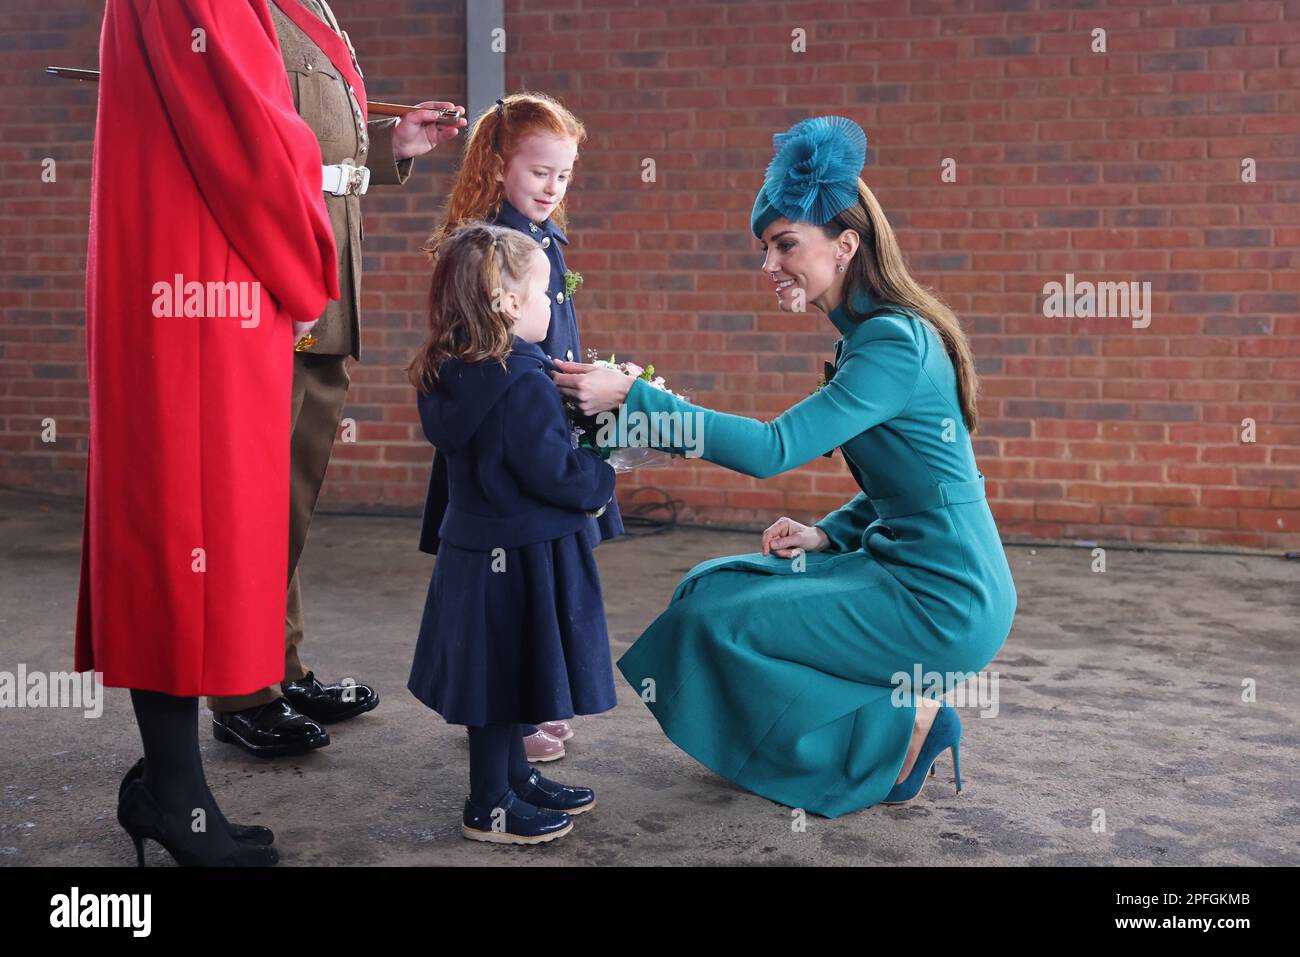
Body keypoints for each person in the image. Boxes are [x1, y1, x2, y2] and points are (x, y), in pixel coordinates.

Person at [553, 116, 1018, 818]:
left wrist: (635, 398)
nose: (769, 266)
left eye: (784, 245)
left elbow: (772, 449)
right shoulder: (876, 334)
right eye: (765, 249)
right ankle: (878, 724)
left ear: (847, 244)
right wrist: (829, 533)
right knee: (707, 587)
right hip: (906, 566)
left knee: (716, 624)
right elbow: (915, 476)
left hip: (942, 596)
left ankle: (901, 730)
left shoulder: (891, 341)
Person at [78, 0, 340, 865]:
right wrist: (311, 247)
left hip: (188, 269)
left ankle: (173, 785)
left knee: (190, 528)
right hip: (204, 274)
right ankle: (175, 795)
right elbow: (252, 134)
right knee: (186, 526)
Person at [207, 0, 467, 757]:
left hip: (323, 282)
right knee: (252, 499)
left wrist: (397, 141)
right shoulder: (242, 11)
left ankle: (277, 668)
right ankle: (240, 689)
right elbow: (249, 153)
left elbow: (324, 149)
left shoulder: (310, 12)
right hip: (274, 281)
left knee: (287, 493)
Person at [421, 91, 622, 763]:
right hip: (514, 428)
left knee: (546, 571)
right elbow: (483, 347)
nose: (553, 186)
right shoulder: (490, 246)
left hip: (543, 410)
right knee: (521, 578)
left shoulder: (543, 239)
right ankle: (511, 712)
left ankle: (534, 699)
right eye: (540, 172)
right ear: (498, 165)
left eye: (564, 175)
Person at [406, 222, 616, 844]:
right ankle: (488, 803)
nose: (552, 305)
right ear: (506, 303)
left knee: (503, 672)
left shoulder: (457, 368)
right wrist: (605, 470)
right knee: (503, 684)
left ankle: (516, 778)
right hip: (524, 552)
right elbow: (551, 472)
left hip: (475, 550)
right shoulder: (522, 380)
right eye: (543, 294)